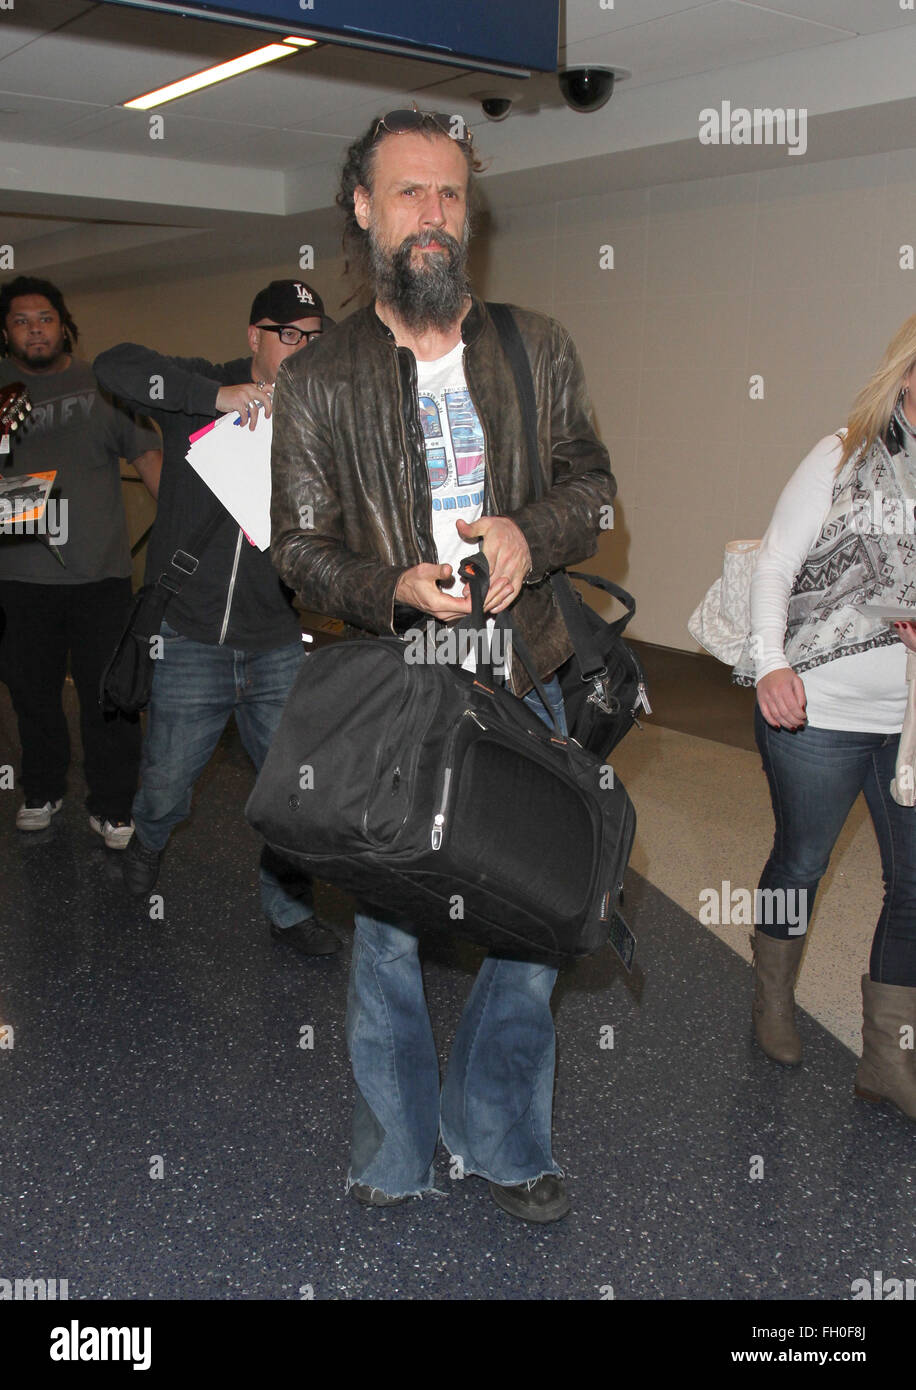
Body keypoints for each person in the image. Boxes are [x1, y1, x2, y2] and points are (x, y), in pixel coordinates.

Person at [269, 112, 614, 1219]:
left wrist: (531, 532)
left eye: (452, 196)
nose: (434, 216)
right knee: (384, 934)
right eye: (409, 194)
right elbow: (297, 549)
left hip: (527, 674)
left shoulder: (535, 344)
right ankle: (393, 1149)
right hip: (400, 684)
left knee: (534, 924)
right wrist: (392, 588)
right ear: (364, 211)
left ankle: (506, 1140)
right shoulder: (320, 377)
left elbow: (594, 488)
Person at [92, 280, 341, 956]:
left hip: (275, 643)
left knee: (290, 791)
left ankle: (288, 911)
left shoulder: (318, 415)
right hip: (191, 637)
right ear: (253, 337)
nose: (304, 347)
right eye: (289, 334)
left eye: (315, 337)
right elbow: (111, 363)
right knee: (168, 785)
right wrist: (215, 399)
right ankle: (144, 852)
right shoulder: (195, 390)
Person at [734, 313, 916, 1120]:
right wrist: (771, 660)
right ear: (907, 375)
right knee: (802, 862)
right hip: (821, 705)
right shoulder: (841, 453)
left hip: (911, 716)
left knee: (914, 885)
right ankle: (772, 995)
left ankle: (888, 1059)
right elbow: (775, 561)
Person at [0, 275, 161, 845]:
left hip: (101, 578)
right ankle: (42, 790)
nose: (34, 329)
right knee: (32, 693)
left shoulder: (102, 384)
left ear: (63, 325)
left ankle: (113, 804)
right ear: (6, 332)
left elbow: (148, 456)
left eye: (44, 318)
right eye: (20, 321)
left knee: (110, 696)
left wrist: (178, 532)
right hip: (20, 579)